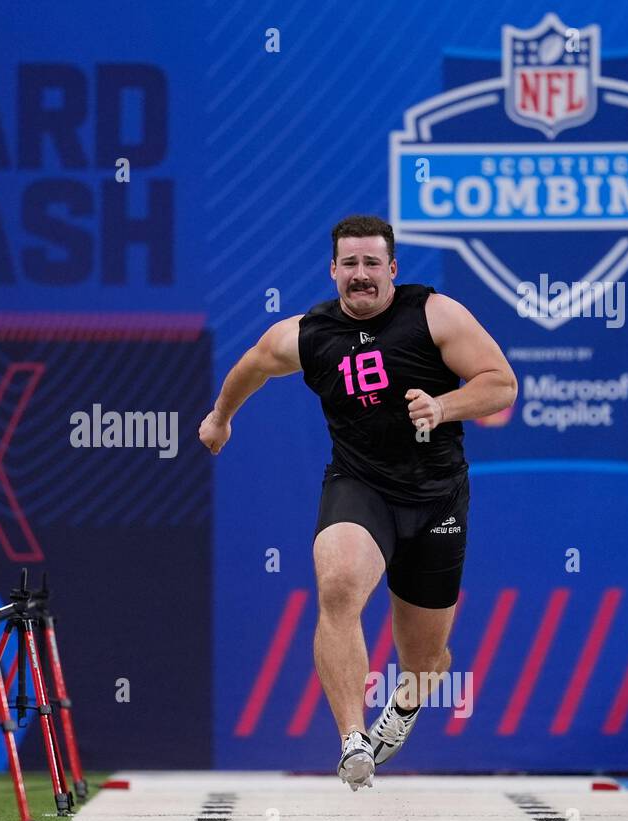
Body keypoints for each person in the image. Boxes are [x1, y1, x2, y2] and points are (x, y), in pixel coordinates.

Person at [198, 214, 517, 790]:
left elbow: (501, 383)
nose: (361, 274)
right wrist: (221, 417)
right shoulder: (307, 333)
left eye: (373, 263)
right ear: (333, 271)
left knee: (427, 662)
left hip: (436, 497)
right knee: (339, 583)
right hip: (359, 485)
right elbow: (253, 366)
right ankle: (352, 740)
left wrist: (443, 408)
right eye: (350, 264)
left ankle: (403, 706)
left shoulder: (434, 314)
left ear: (392, 269)